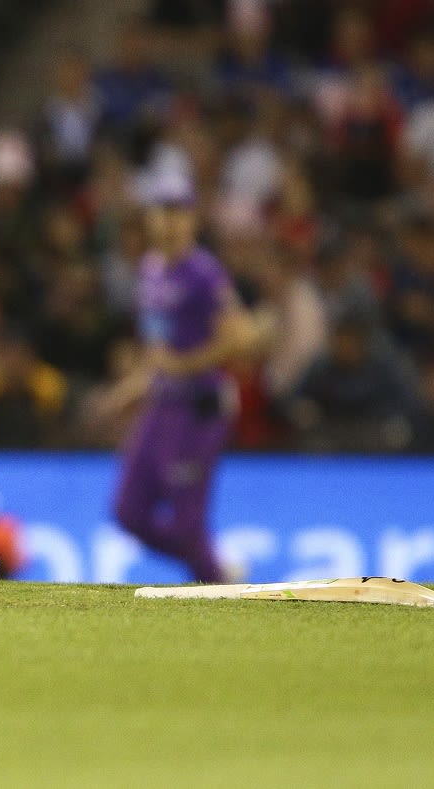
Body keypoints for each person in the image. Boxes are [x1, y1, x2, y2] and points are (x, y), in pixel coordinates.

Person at [101, 174, 257, 583]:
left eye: (178, 211)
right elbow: (158, 351)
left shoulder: (204, 273)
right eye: (162, 210)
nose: (169, 221)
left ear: (192, 219)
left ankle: (214, 578)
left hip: (200, 409)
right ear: (149, 218)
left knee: (187, 523)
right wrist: (129, 390)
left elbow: (241, 336)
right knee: (128, 513)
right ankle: (215, 571)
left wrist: (186, 365)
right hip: (161, 406)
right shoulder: (150, 270)